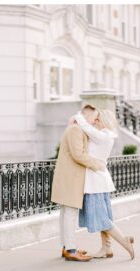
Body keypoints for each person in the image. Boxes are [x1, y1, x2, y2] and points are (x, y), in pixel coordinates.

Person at [74, 109, 135, 259]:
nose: (95, 121)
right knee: (104, 216)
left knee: (102, 218)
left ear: (103, 120)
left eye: (97, 119)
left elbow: (87, 128)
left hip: (95, 182)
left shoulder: (103, 135)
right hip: (99, 180)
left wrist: (78, 116)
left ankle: (124, 241)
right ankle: (106, 248)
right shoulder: (105, 135)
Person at [50, 104, 107, 262]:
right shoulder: (75, 129)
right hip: (71, 178)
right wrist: (97, 165)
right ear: (87, 117)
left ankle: (66, 247)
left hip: (69, 177)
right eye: (94, 118)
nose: (95, 122)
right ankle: (71, 250)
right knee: (70, 213)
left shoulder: (75, 128)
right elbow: (78, 155)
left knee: (66, 213)